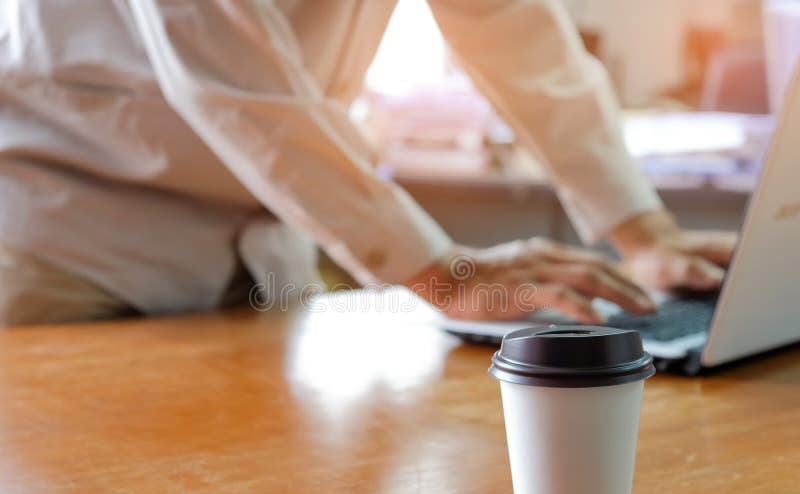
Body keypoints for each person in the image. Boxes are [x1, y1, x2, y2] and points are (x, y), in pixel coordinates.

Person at [0, 0, 735, 327]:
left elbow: (511, 25)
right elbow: (234, 81)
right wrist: (445, 272)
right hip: (74, 246)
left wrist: (644, 232)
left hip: (259, 251)